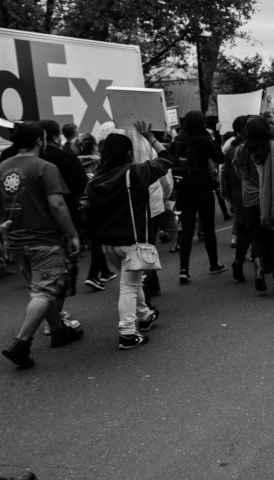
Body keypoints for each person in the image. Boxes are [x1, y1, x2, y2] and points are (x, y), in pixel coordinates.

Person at [1, 122, 84, 368]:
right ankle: (20, 342)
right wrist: (73, 234)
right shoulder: (45, 167)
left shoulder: (2, 167)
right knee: (45, 291)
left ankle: (59, 331)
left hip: (17, 241)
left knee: (41, 289)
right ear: (40, 141)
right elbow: (57, 205)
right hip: (45, 239)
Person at [85, 122, 171, 350]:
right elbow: (166, 160)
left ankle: (144, 314)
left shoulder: (94, 181)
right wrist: (149, 137)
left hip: (107, 244)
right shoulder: (136, 172)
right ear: (127, 153)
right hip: (132, 241)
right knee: (129, 287)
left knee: (131, 283)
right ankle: (127, 333)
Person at [233, 115, 274, 293]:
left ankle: (260, 269)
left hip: (251, 200)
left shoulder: (241, 150)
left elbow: (239, 172)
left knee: (257, 236)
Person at [168, 111, 226, 284]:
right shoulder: (204, 141)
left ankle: (184, 269)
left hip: (183, 189)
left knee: (186, 229)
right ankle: (214, 264)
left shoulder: (177, 141)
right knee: (208, 228)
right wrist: (213, 139)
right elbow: (220, 158)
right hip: (202, 187)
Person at [222, 115, 253, 282]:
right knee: (257, 230)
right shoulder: (248, 148)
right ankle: (259, 266)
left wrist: (226, 191)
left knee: (242, 230)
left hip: (236, 194)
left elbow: (225, 172)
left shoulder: (230, 148)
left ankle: (238, 261)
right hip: (250, 193)